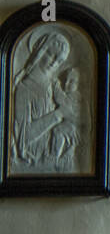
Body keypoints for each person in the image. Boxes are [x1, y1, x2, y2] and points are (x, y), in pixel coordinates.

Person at [10, 28, 71, 170]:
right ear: (40, 51)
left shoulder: (53, 87)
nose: (54, 62)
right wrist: (57, 115)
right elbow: (23, 137)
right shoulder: (24, 88)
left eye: (60, 60)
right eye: (51, 54)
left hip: (48, 158)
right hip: (32, 158)